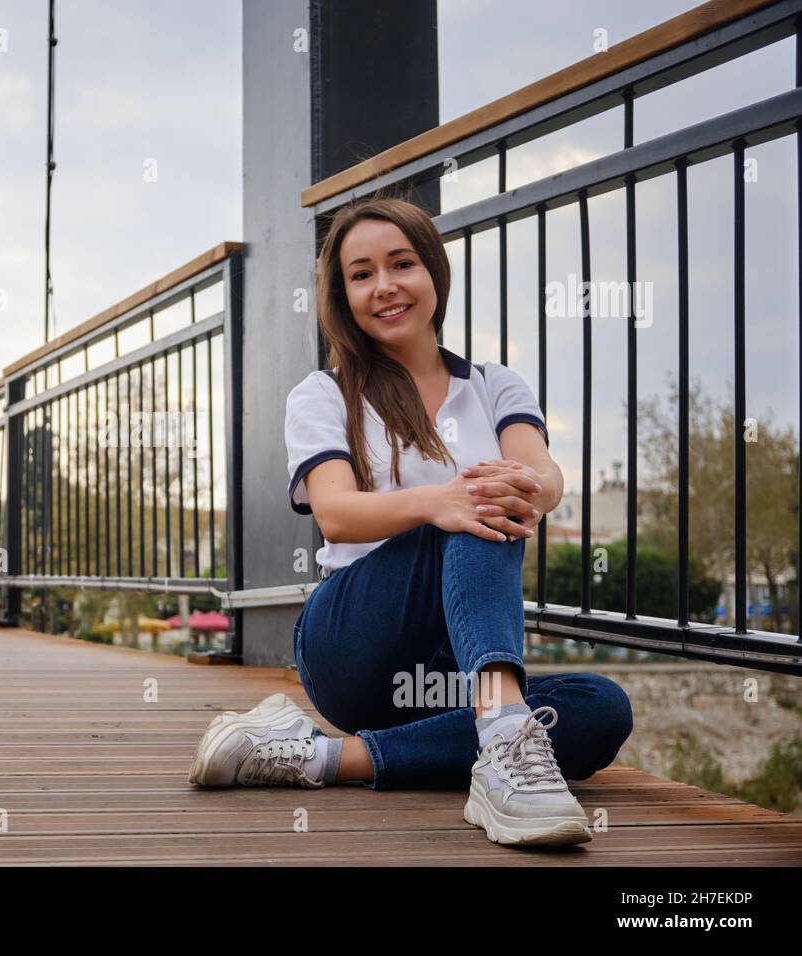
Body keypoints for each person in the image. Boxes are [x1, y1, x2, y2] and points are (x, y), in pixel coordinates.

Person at [188, 196, 633, 848]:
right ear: (343, 295)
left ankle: (322, 756)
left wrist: (526, 487)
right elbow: (336, 515)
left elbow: (546, 475)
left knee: (602, 709)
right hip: (353, 646)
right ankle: (506, 739)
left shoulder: (494, 384)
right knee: (474, 506)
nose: (385, 286)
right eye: (361, 273)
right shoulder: (324, 394)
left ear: (434, 273)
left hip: (452, 674)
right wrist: (443, 500)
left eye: (402, 263)